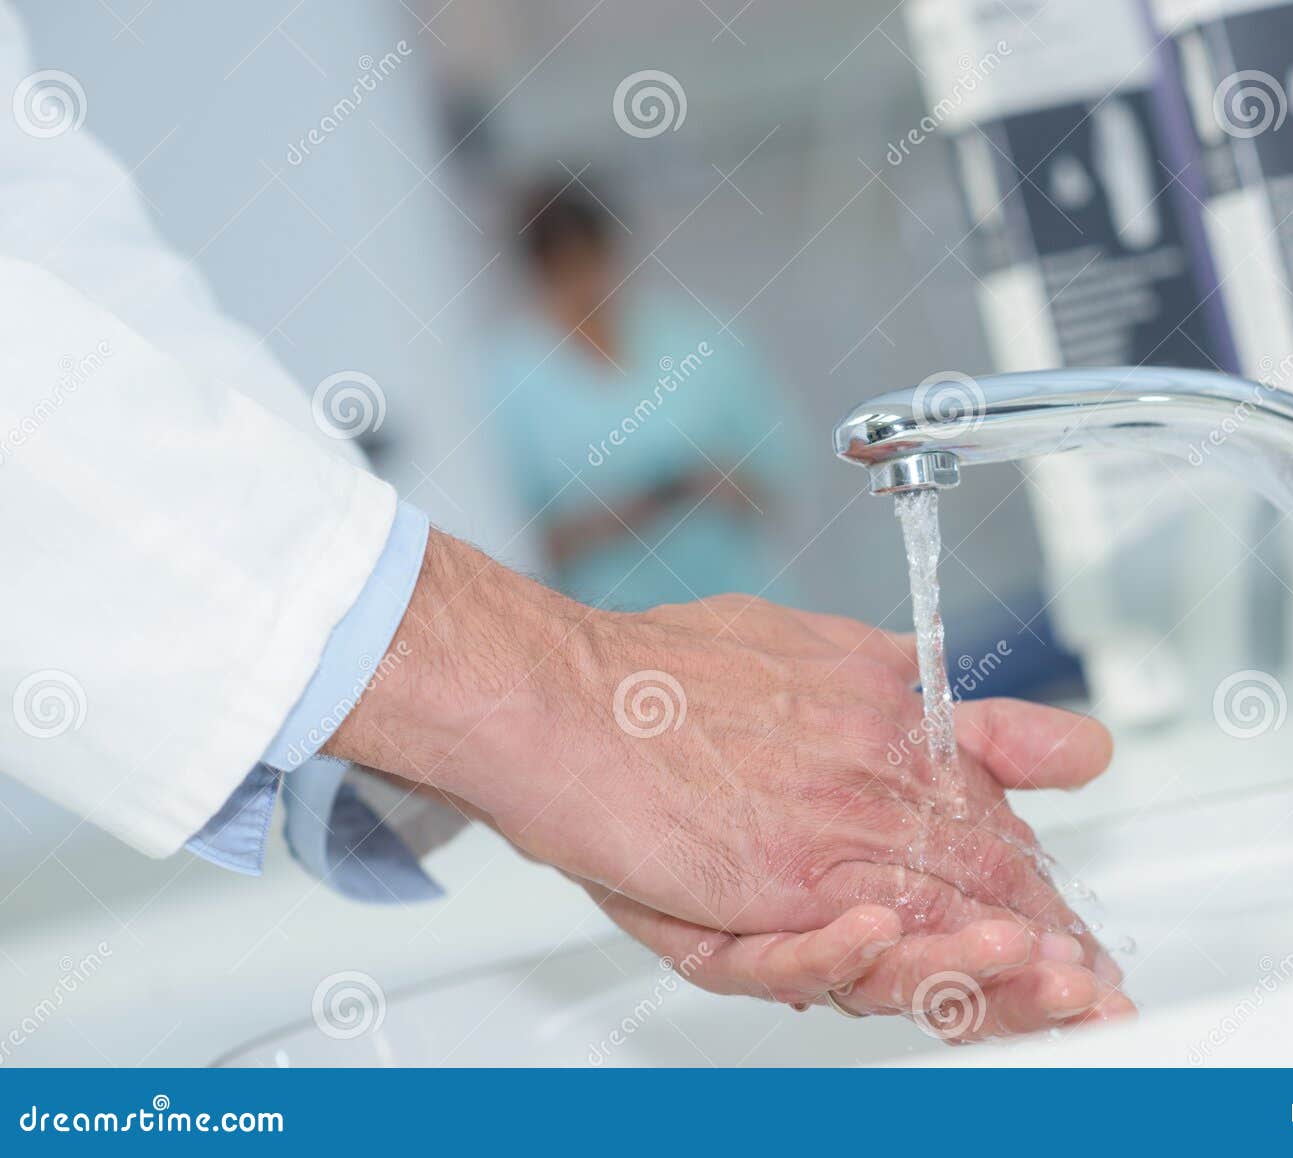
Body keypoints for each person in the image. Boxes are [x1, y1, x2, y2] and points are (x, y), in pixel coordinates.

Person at [0, 6, 1127, 1038]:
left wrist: (554, 741)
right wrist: (554, 698)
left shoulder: (693, 339)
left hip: (708, 650)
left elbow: (56, 258)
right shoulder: (515, 379)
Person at [487, 179, 798, 611]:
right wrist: (619, 517)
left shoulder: (701, 337)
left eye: (592, 264)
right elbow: (512, 541)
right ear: (539, 275)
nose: (586, 288)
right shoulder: (501, 378)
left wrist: (713, 484)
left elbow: (777, 473)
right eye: (565, 271)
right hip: (613, 623)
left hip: (738, 601)